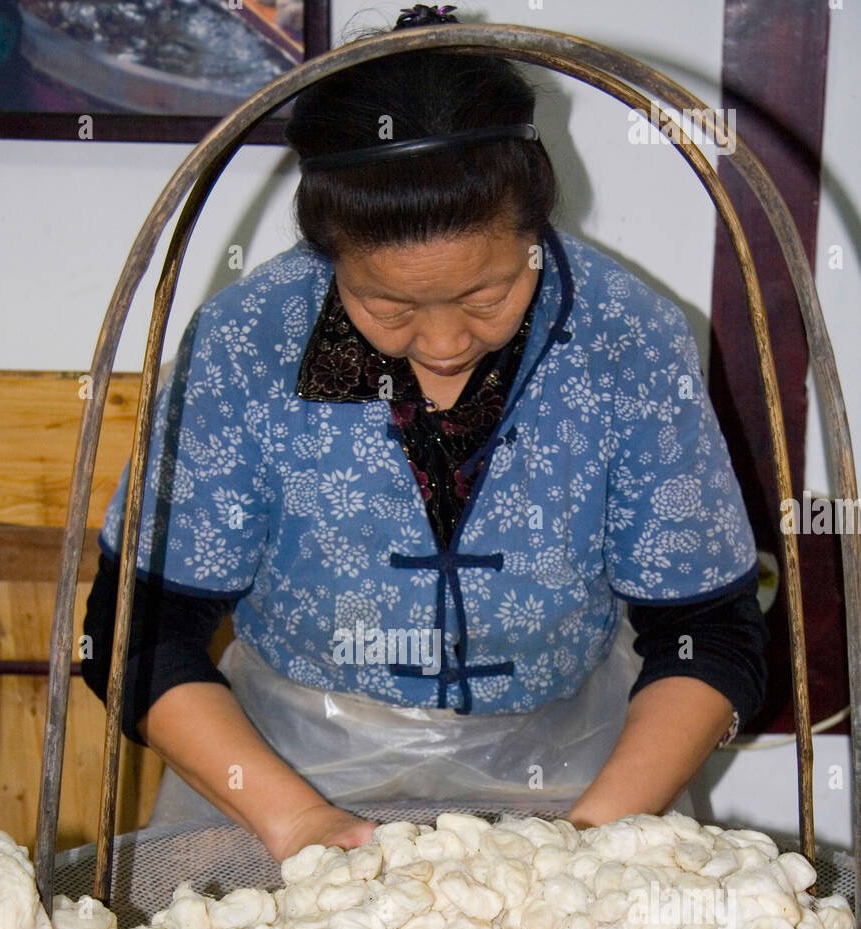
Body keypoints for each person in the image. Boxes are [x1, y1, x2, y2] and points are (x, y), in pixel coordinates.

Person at [82, 4, 768, 863]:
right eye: (389, 306)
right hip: (278, 784)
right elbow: (132, 634)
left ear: (535, 231)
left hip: (581, 781)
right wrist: (297, 822)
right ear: (330, 256)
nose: (443, 345)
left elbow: (711, 635)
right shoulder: (247, 343)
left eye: (485, 299)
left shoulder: (626, 342)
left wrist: (589, 849)